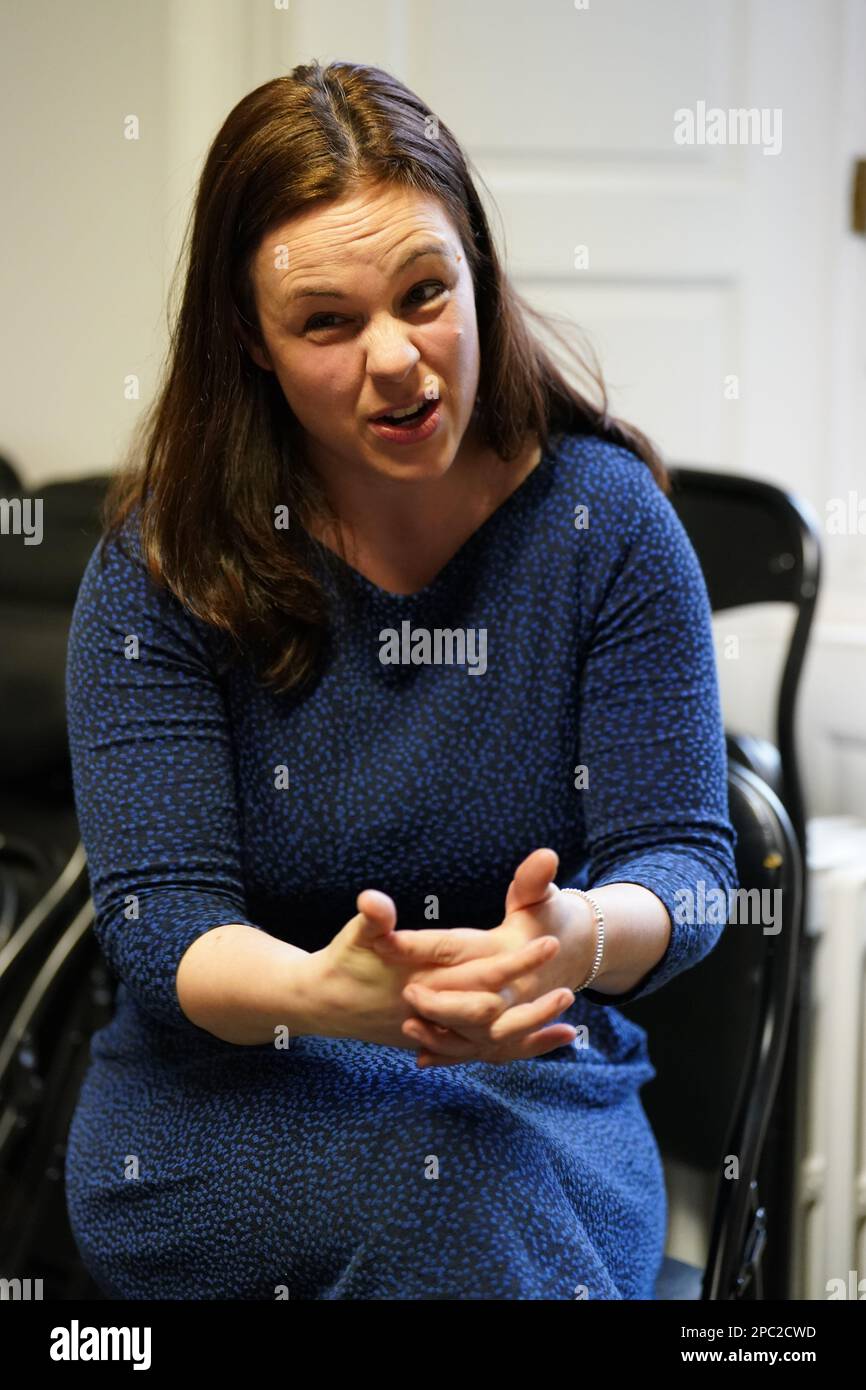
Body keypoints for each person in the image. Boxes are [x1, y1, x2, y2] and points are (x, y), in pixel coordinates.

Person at [64, 61, 738, 1301]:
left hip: (535, 1083)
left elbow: (689, 869)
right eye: (325, 323)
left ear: (476, 267)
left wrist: (574, 940)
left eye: (426, 293)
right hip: (224, 1095)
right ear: (249, 345)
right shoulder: (166, 564)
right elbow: (160, 924)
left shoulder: (607, 528)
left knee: (477, 1197)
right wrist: (323, 995)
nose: (397, 360)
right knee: (462, 1218)